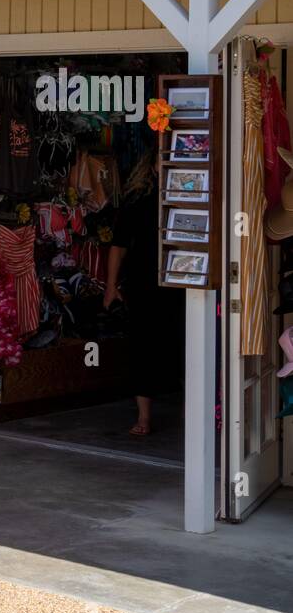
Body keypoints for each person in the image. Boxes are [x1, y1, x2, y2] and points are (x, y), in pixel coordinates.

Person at [103, 149, 183, 436]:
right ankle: (144, 417)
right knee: (142, 348)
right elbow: (119, 244)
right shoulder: (137, 199)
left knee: (183, 346)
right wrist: (111, 286)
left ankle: (193, 412)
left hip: (183, 282)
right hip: (144, 283)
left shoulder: (189, 195)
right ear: (151, 166)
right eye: (162, 161)